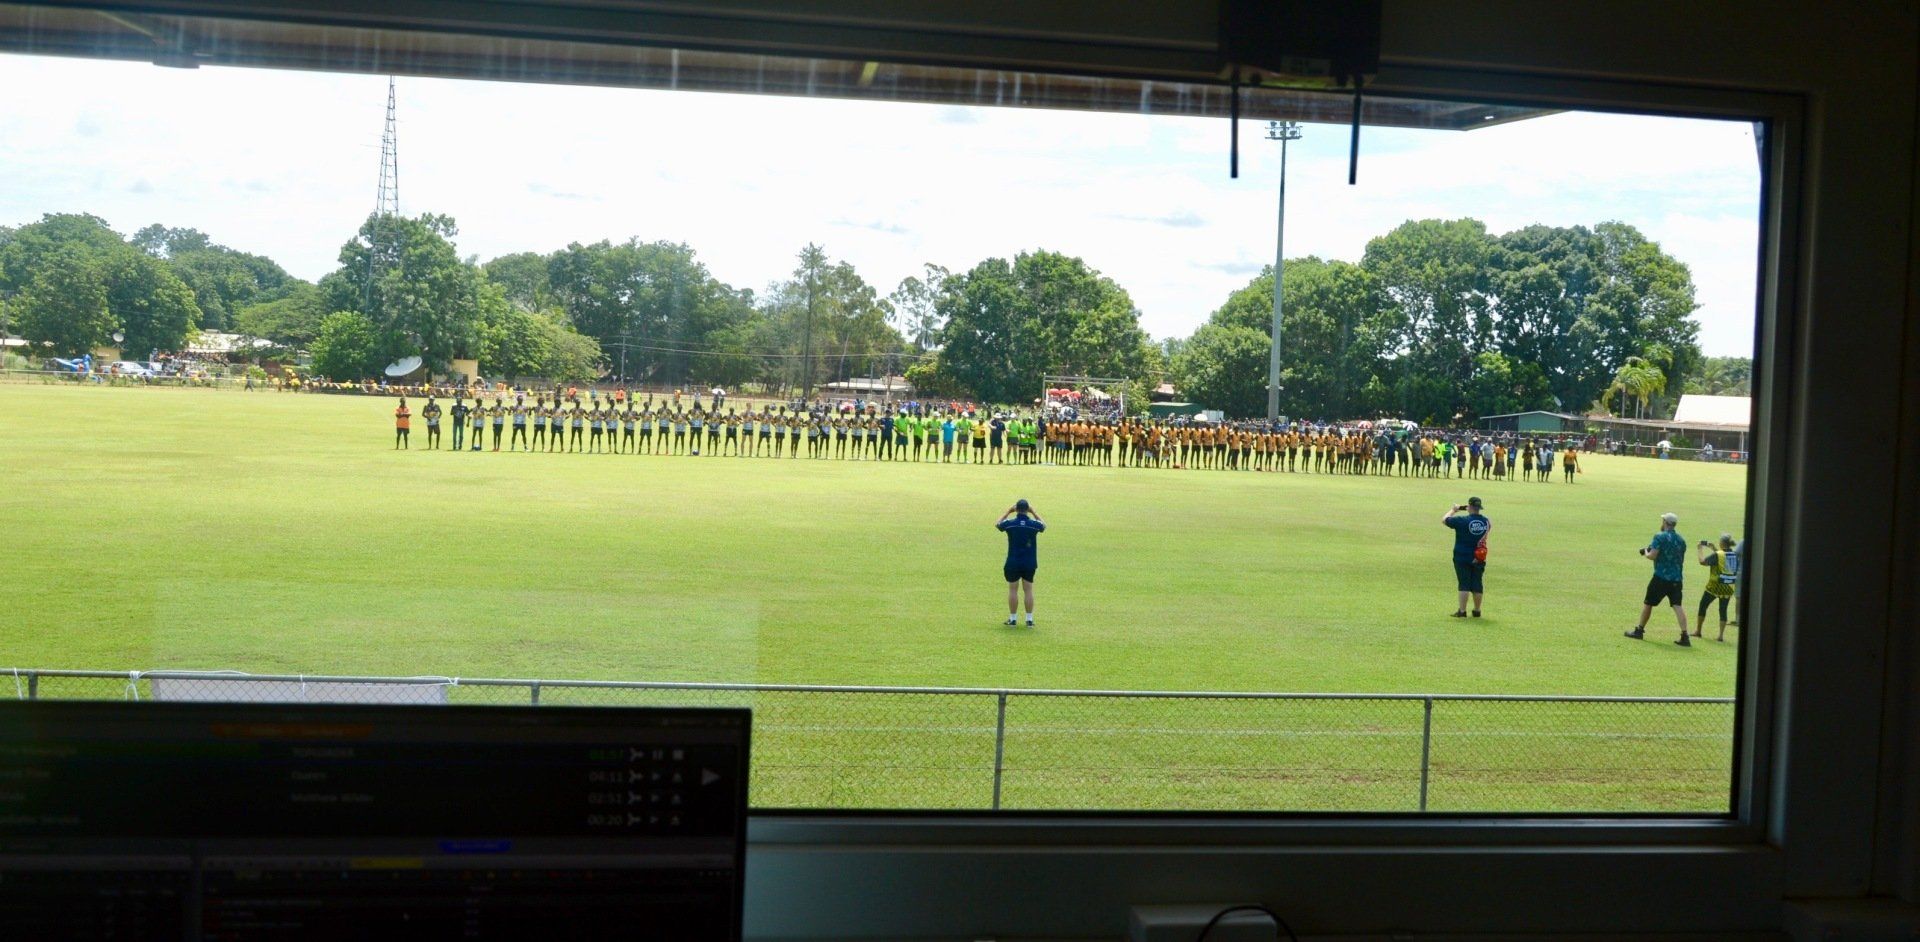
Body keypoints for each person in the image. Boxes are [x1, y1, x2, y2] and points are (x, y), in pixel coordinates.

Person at [1627, 512, 1692, 646]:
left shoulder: (1659, 537)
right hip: (1676, 578)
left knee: (1648, 603)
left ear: (1665, 523)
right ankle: (1685, 636)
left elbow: (1652, 556)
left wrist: (1646, 552)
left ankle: (1639, 630)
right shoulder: (1681, 540)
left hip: (1661, 577)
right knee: (1677, 605)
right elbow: (1680, 559)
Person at [996, 499, 1046, 627]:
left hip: (1013, 561)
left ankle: (1013, 619)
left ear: (1016, 509)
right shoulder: (1033, 525)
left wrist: (1008, 511)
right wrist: (1034, 512)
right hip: (1029, 562)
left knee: (1013, 589)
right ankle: (1029, 620)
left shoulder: (1011, 524)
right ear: (1027, 509)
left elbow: (998, 524)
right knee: (1028, 590)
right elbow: (1044, 525)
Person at [1441, 497, 1490, 618]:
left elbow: (1445, 520)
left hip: (1462, 556)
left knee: (1464, 584)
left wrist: (1454, 510)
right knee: (1477, 584)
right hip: (1478, 557)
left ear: (1469, 507)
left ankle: (1462, 611)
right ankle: (1477, 610)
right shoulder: (1486, 522)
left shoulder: (1462, 521)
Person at [1694, 533, 1738, 641]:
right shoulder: (1734, 554)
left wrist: (1700, 549)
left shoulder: (1718, 554)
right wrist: (1714, 548)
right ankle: (1721, 636)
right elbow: (1723, 560)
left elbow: (1702, 562)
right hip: (1728, 587)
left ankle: (1698, 631)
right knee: (1723, 610)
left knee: (1703, 605)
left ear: (1722, 543)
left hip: (1715, 586)